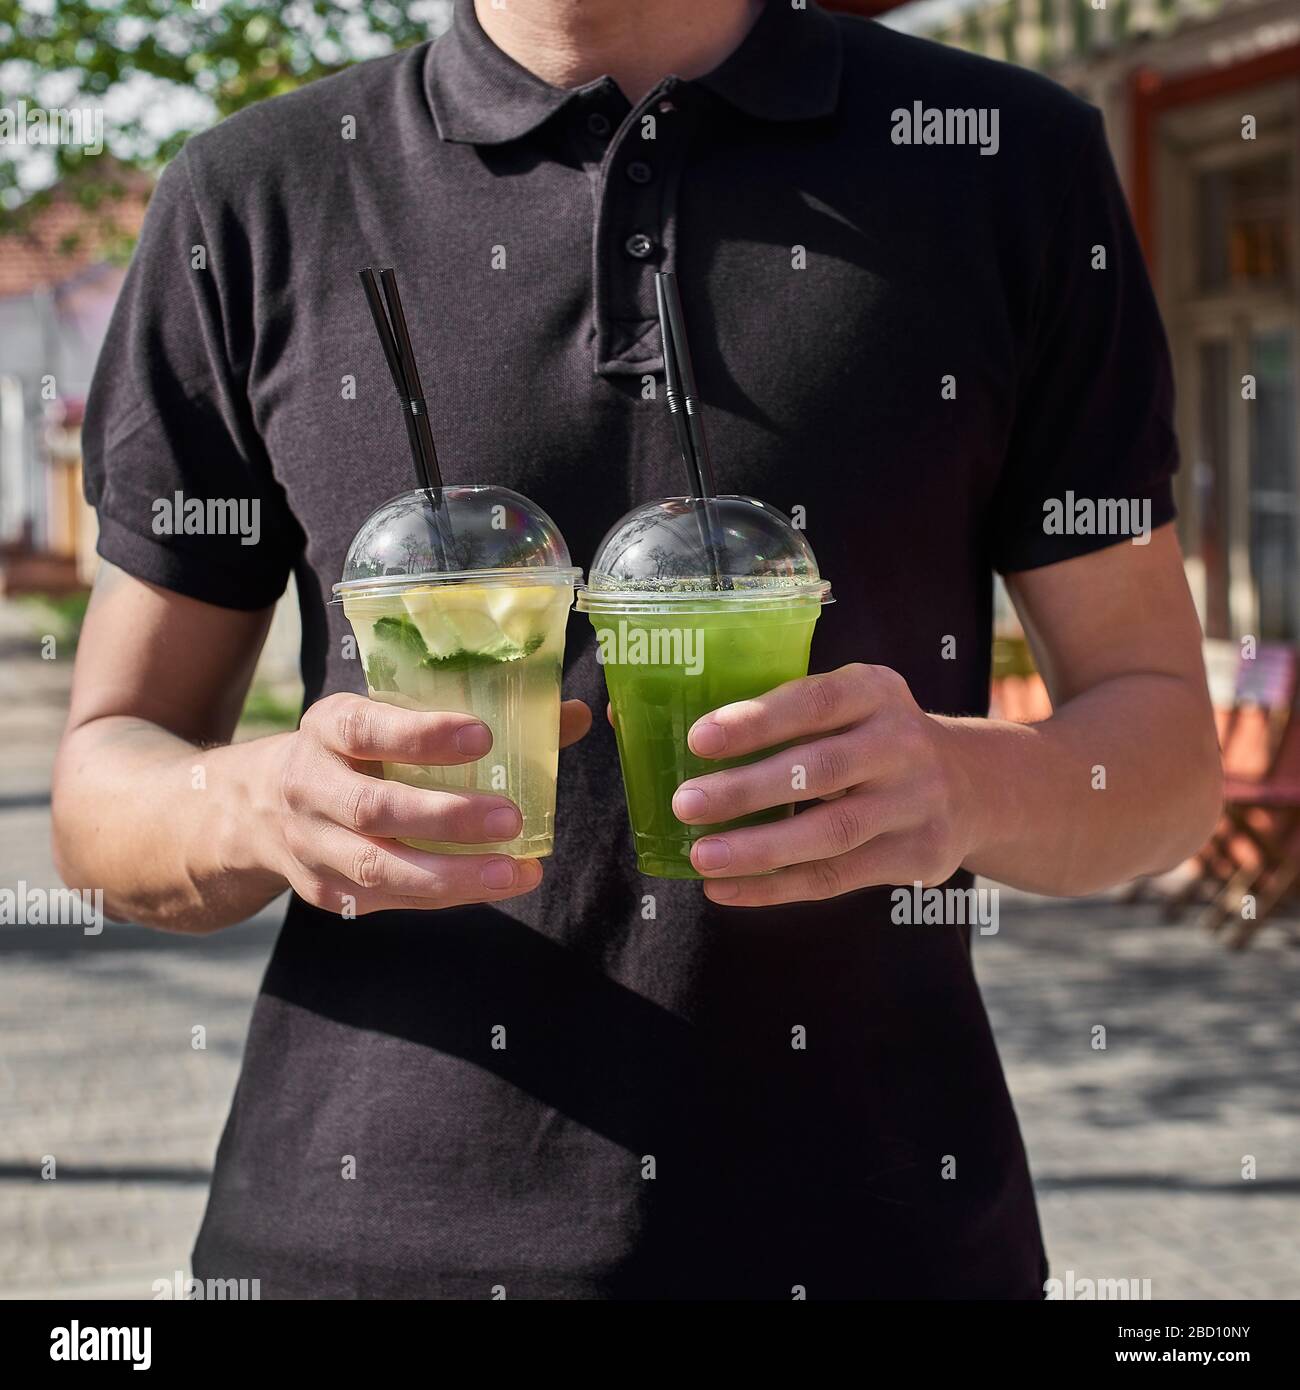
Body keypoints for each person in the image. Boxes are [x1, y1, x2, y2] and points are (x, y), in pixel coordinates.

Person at [52, 0, 1222, 1298]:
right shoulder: (254, 195)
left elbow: (1162, 746)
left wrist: (962, 785)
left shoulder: (1007, 159)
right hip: (349, 1254)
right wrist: (264, 805)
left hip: (877, 1249)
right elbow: (105, 788)